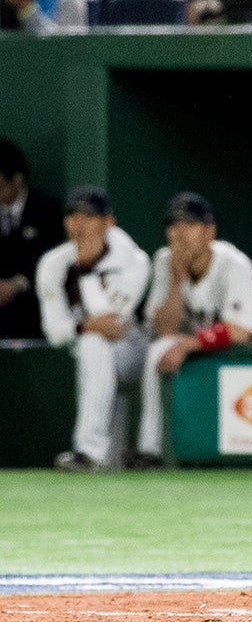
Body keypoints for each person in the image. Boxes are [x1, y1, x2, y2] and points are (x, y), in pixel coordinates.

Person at [136, 193, 252, 468]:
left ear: (209, 232)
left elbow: (241, 331)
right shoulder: (164, 261)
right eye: (173, 226)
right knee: (160, 348)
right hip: (204, 350)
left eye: (190, 225)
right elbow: (163, 328)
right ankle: (151, 450)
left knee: (171, 346)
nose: (180, 234)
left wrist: (186, 345)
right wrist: (175, 283)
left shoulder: (234, 264)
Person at [36, 186, 151, 471]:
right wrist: (84, 326)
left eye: (89, 217)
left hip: (135, 351)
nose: (79, 224)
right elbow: (56, 332)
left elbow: (110, 323)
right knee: (92, 343)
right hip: (91, 354)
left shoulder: (134, 260)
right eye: (72, 216)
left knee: (94, 342)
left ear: (108, 222)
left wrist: (86, 270)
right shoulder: (53, 264)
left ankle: (90, 451)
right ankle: (90, 454)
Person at [0, 138, 63, 340]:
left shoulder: (48, 210)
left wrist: (17, 284)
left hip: (32, 310)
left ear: (17, 179)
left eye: (0, 186)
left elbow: (49, 257)